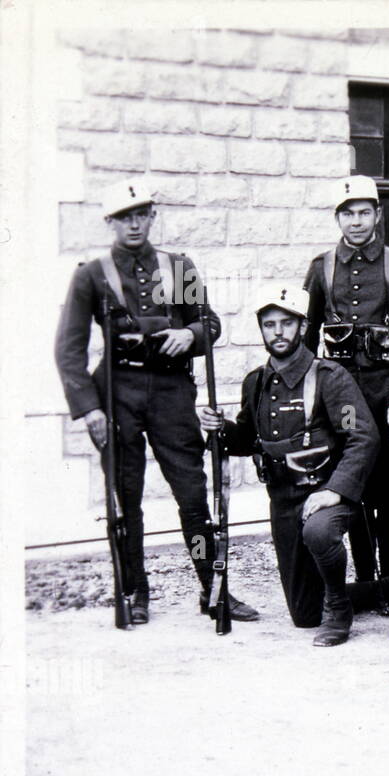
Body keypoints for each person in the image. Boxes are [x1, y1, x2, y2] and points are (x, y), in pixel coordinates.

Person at [55, 178, 259, 625]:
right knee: (126, 496)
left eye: (141, 214)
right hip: (117, 392)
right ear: (110, 221)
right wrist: (89, 408)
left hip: (171, 391)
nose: (134, 223)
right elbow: (68, 349)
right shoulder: (92, 274)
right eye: (124, 216)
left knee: (192, 494)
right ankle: (135, 590)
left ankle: (212, 585)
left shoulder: (176, 268)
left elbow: (209, 324)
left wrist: (190, 333)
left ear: (152, 217)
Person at [198, 286, 378, 645]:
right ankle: (388, 589)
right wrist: (220, 430)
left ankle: (340, 609)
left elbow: (363, 436)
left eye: (286, 323)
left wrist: (335, 490)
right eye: (269, 325)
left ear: (302, 326)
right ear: (261, 330)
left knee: (319, 532)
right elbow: (247, 438)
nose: (278, 332)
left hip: (326, 495)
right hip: (282, 500)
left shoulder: (329, 377)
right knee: (304, 615)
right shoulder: (256, 383)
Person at [302, 175, 389, 594]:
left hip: (387, 389)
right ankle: (365, 574)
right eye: (348, 213)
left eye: (364, 212)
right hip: (340, 394)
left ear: (376, 215)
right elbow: (306, 336)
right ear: (338, 218)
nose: (356, 221)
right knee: (351, 478)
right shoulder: (321, 267)